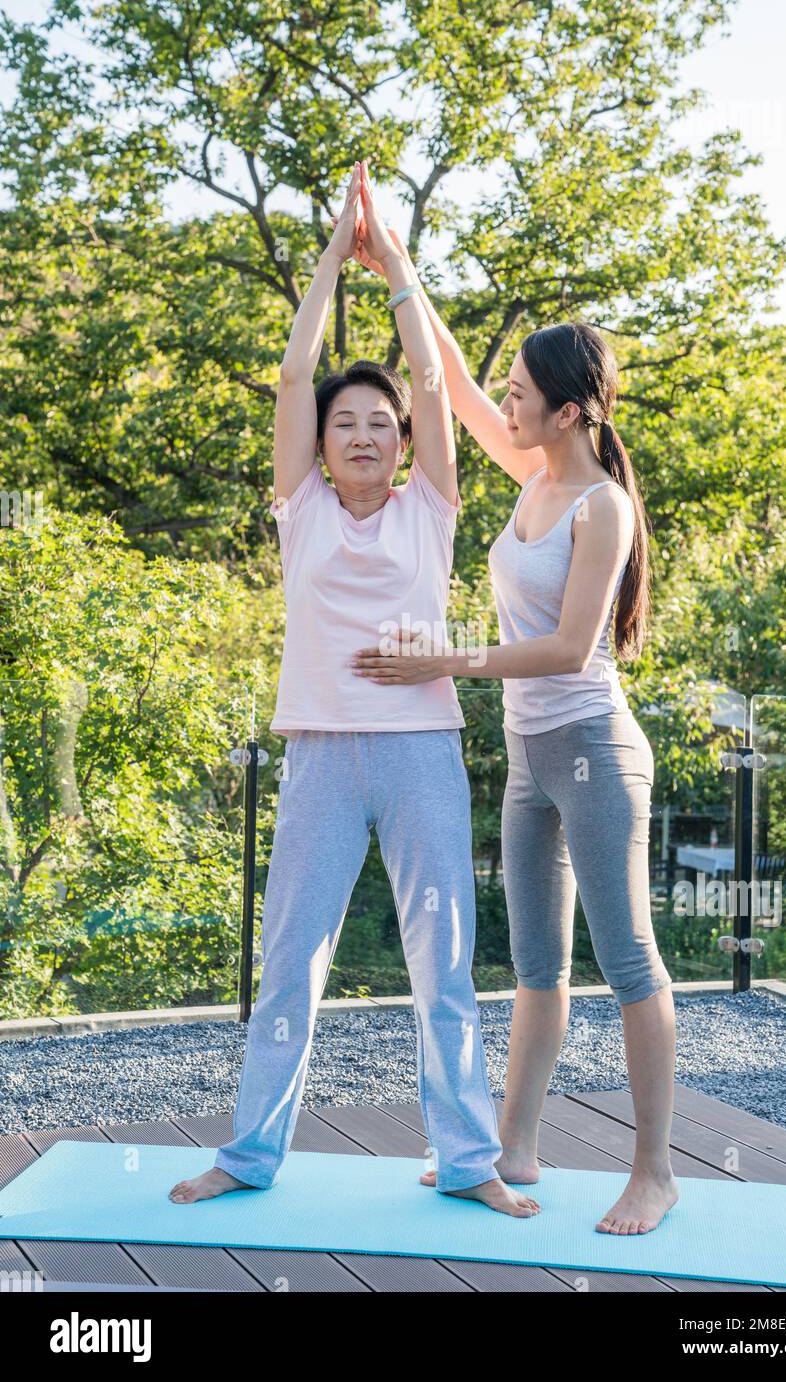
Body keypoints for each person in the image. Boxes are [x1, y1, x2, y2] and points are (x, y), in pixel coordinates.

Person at [169, 161, 539, 1218]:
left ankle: (469, 1162)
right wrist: (336, 251)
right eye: (346, 425)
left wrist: (400, 266)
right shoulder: (307, 512)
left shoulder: (432, 506)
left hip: (421, 746)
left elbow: (432, 380)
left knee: (446, 966)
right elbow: (294, 380)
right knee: (291, 963)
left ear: (404, 442)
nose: (365, 432)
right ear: (324, 449)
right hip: (322, 752)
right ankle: (246, 1155)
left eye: (380, 421)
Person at [351, 173, 678, 1234]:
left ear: (570, 408)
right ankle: (518, 1142)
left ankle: (656, 1169)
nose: (508, 400)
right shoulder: (532, 467)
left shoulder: (601, 504)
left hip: (590, 747)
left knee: (627, 960)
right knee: (535, 964)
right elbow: (442, 375)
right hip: (530, 756)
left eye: (525, 390)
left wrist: (447, 660)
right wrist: (399, 269)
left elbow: (570, 646)